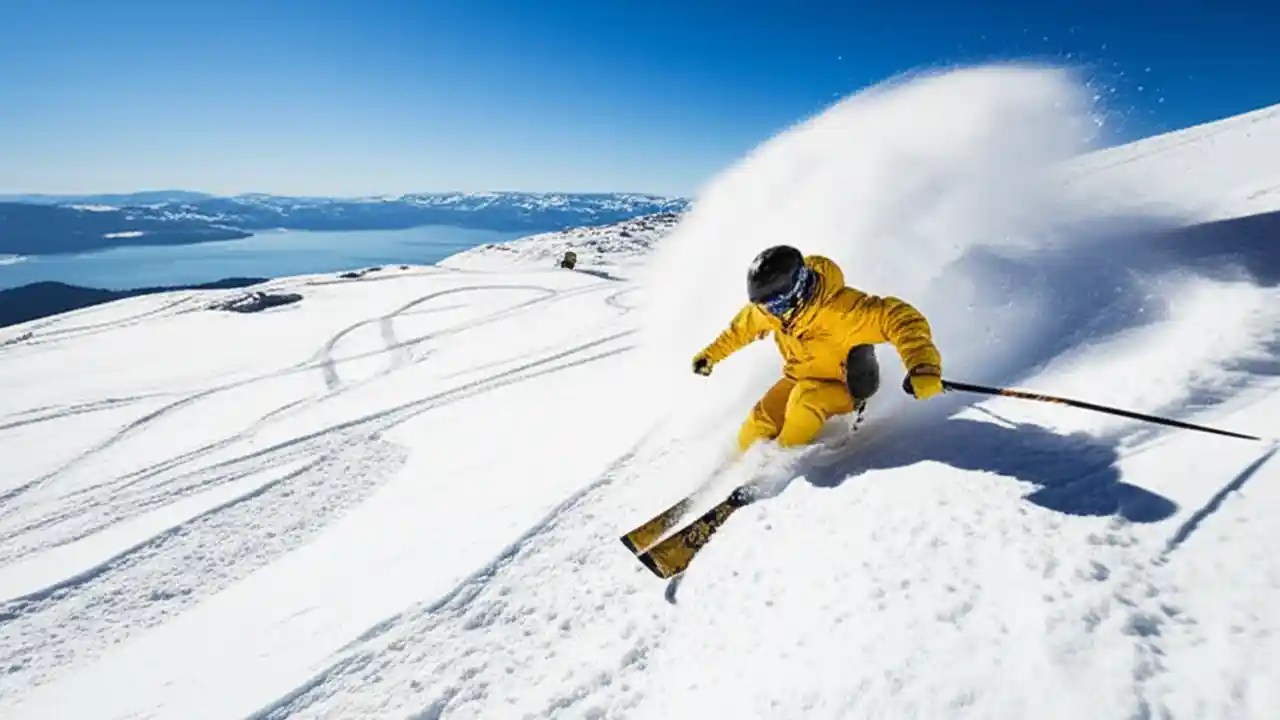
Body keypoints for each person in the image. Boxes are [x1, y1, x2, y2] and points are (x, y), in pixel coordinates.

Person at [692, 245, 944, 452]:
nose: (771, 313)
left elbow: (902, 320)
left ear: (798, 289)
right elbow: (740, 330)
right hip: (798, 378)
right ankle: (737, 468)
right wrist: (710, 355)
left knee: (805, 400)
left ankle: (777, 461)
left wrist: (923, 366)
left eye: (777, 305)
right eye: (765, 306)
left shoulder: (844, 310)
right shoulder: (772, 311)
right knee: (758, 422)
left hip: (845, 388)